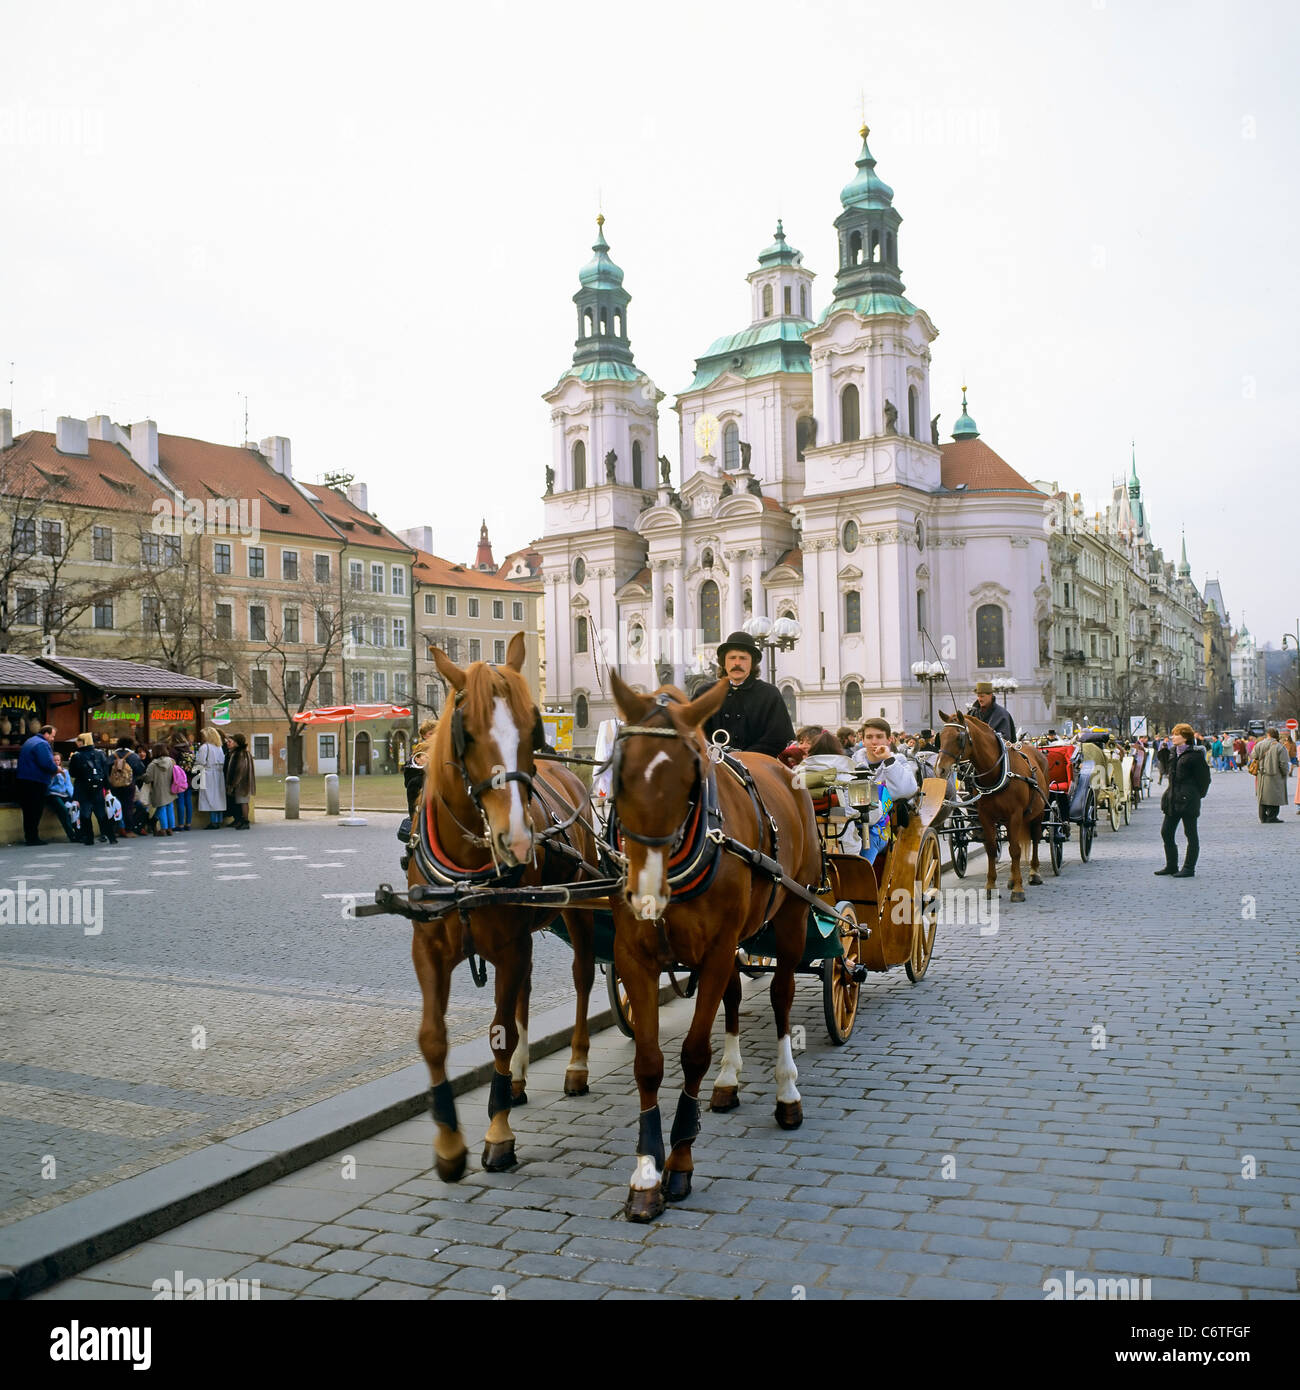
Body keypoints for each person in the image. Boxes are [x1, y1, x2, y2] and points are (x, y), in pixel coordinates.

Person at [703, 630, 795, 759]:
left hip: (755, 764)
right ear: (723, 662)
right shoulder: (705, 693)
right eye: (732, 658)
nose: (737, 663)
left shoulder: (769, 694)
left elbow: (779, 737)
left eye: (743, 658)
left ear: (752, 663)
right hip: (710, 762)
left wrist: (742, 758)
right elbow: (692, 731)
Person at [852, 717, 919, 864]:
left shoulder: (898, 760)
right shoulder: (852, 763)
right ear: (862, 740)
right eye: (869, 737)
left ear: (889, 740)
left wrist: (888, 759)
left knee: (870, 837)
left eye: (879, 737)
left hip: (883, 827)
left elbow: (906, 790)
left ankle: (863, 873)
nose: (874, 742)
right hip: (853, 824)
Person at [1155, 722, 1210, 878]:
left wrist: (1196, 795)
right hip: (1172, 798)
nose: (1173, 737)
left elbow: (1204, 779)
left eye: (1176, 734)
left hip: (1188, 800)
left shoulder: (1195, 756)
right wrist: (1163, 753)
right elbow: (1165, 769)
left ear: (1185, 737)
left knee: (1190, 834)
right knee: (1166, 832)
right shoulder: (1173, 752)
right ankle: (1171, 865)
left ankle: (1189, 868)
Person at [68, 731, 117, 846]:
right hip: (98, 788)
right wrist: (107, 788)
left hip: (83, 788)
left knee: (85, 814)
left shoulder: (76, 756)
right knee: (101, 814)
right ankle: (111, 837)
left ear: (83, 742)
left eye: (79, 740)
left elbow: (73, 773)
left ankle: (89, 838)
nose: (77, 742)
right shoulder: (100, 754)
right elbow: (105, 772)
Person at [16, 724, 58, 845]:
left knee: (28, 810)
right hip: (36, 781)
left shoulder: (30, 741)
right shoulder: (42, 744)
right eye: (52, 736)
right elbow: (46, 763)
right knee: (35, 810)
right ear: (46, 734)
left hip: (23, 779)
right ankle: (33, 838)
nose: (53, 739)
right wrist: (56, 769)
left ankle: (29, 836)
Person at [1251, 728, 1290, 823]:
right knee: (1274, 796)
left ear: (1267, 734)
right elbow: (1283, 763)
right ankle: (1272, 817)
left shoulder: (1259, 744)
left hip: (1261, 775)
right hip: (1275, 775)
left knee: (1262, 796)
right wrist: (1285, 773)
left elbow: (1253, 756)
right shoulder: (1280, 747)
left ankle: (1262, 817)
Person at [195, 726, 228, 828]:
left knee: (210, 797)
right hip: (219, 774)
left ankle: (213, 821)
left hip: (208, 773)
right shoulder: (219, 747)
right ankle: (218, 820)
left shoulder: (205, 747)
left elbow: (200, 762)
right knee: (219, 797)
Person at [46, 752, 81, 842]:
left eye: (58, 760)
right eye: (54, 760)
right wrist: (53, 776)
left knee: (74, 809)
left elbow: (69, 786)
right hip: (53, 794)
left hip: (64, 794)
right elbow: (47, 787)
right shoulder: (48, 772)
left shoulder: (65, 771)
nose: (56, 762)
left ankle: (79, 833)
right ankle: (71, 835)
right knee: (64, 811)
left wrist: (75, 798)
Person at [144, 743, 177, 836]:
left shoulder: (153, 765)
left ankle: (163, 829)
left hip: (158, 789)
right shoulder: (172, 761)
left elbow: (148, 778)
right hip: (170, 788)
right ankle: (170, 829)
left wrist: (142, 777)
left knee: (161, 808)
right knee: (170, 807)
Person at [226, 732, 256, 829]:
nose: (232, 742)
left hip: (241, 783)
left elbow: (239, 770)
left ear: (237, 742)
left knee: (243, 802)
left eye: (234, 741)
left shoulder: (239, 754)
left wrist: (233, 783)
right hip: (245, 782)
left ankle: (245, 822)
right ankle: (242, 821)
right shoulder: (246, 752)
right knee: (243, 802)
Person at [170, 734, 196, 831]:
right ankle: (188, 824)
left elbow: (171, 765)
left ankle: (180, 825)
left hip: (179, 779)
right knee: (188, 801)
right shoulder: (189, 749)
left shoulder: (173, 750)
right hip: (188, 779)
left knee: (180, 801)